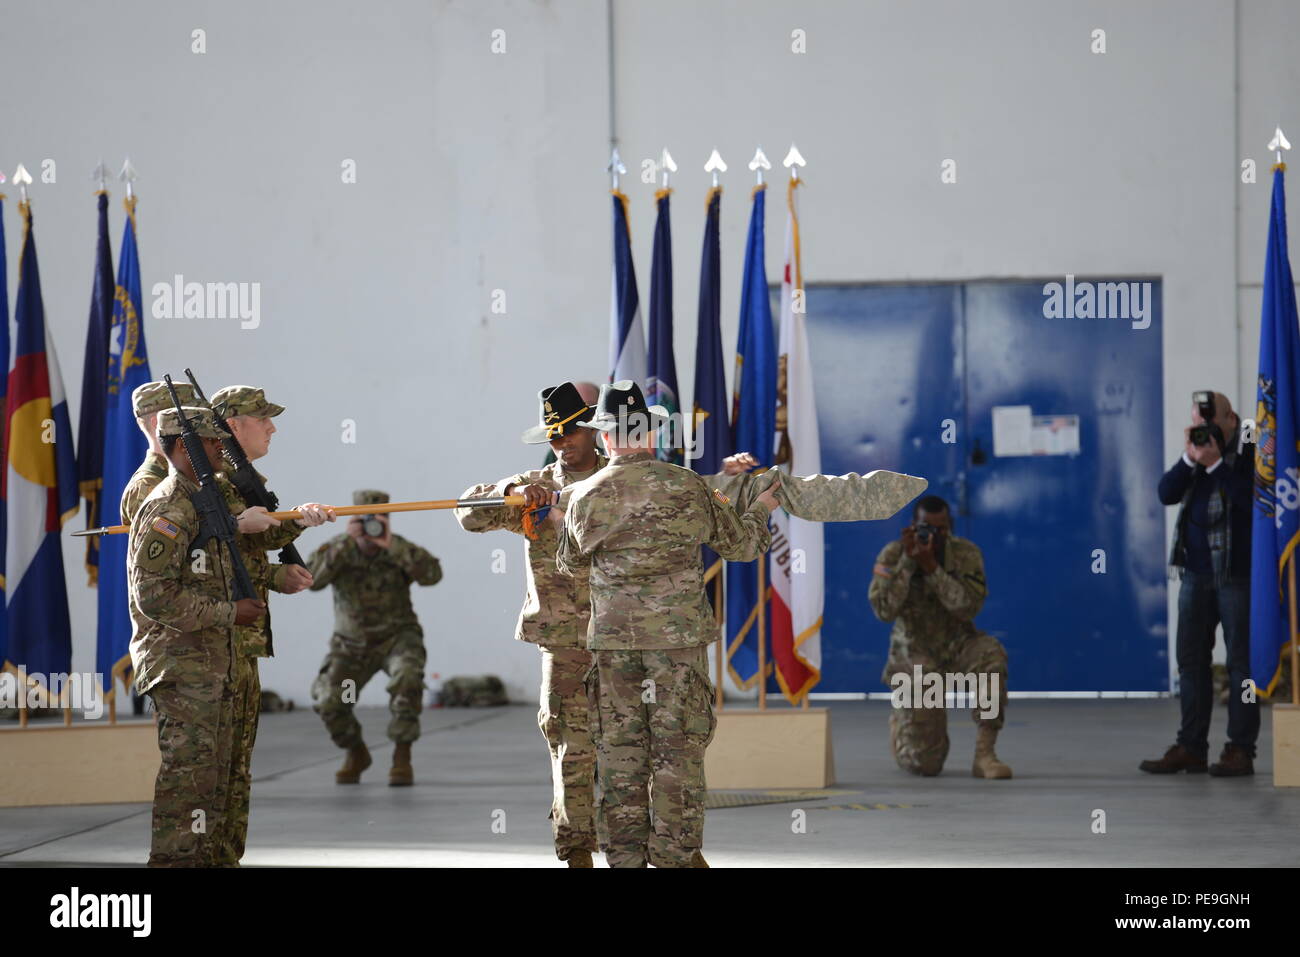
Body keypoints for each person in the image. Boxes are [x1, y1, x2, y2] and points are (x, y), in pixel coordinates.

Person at [553, 380, 780, 868]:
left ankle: (625, 859)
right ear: (651, 432)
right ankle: (675, 855)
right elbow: (741, 547)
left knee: (620, 754)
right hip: (677, 646)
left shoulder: (583, 495)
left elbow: (571, 565)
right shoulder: (686, 485)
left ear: (606, 437)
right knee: (678, 752)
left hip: (614, 647)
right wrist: (764, 507)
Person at [127, 406, 273, 867]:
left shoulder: (206, 502)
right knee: (189, 788)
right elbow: (154, 595)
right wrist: (230, 613)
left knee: (224, 787)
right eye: (211, 443)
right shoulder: (169, 508)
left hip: (219, 667)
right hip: (184, 670)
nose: (219, 449)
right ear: (184, 448)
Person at [208, 384, 336, 864]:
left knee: (236, 768)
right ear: (234, 425)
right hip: (215, 642)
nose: (272, 427)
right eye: (262, 419)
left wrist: (299, 521)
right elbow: (210, 560)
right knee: (211, 770)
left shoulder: (241, 478)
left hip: (243, 638)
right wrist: (272, 572)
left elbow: (246, 547)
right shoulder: (204, 484)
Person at [1142, 391, 1257, 777]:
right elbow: (1165, 493)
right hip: (1195, 573)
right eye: (1197, 424)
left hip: (1237, 574)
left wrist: (1216, 466)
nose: (1205, 431)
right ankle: (1191, 747)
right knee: (1190, 662)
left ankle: (1241, 750)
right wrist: (1191, 457)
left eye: (1212, 423)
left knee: (1242, 666)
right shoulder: (1197, 454)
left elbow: (1255, 500)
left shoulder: (1251, 446)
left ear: (1231, 418)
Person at [868, 495, 1011, 779]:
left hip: (957, 644)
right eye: (925, 528)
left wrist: (933, 568)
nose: (932, 535)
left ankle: (985, 754)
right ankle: (902, 728)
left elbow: (968, 607)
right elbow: (884, 610)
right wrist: (910, 563)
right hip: (914, 653)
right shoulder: (894, 555)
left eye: (940, 529)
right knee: (925, 765)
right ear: (913, 526)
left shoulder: (965, 554)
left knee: (990, 656)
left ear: (950, 528)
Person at [308, 490, 443, 785]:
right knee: (330, 700)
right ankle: (356, 752)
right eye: (364, 519)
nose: (370, 526)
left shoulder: (397, 548)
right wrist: (347, 540)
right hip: (351, 645)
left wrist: (390, 543)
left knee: (407, 679)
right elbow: (311, 581)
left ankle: (401, 755)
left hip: (397, 638)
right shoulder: (339, 549)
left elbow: (432, 574)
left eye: (377, 519)